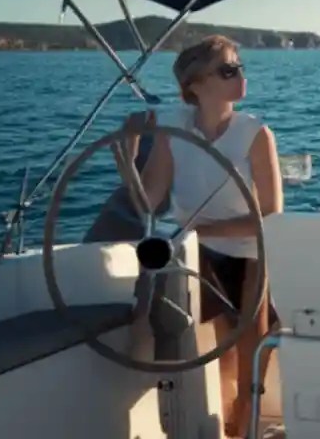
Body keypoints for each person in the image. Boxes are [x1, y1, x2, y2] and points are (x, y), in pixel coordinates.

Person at [121, 35, 283, 437]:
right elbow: (149, 201)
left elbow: (270, 216)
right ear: (195, 85)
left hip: (250, 252)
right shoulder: (174, 127)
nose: (239, 75)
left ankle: (245, 419)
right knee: (219, 352)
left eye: (239, 66)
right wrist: (126, 154)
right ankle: (226, 424)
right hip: (199, 253)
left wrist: (198, 229)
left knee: (249, 348)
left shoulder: (255, 134)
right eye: (228, 70)